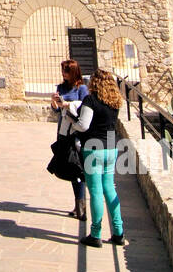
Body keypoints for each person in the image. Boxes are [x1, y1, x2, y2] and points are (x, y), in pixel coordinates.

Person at [74, 69, 126, 248]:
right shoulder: (116, 101)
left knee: (95, 191)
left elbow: (83, 125)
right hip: (111, 147)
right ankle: (118, 232)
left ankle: (95, 234)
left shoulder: (91, 100)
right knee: (109, 188)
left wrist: (72, 122)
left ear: (94, 83)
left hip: (94, 147)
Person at [50, 59, 88, 220]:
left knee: (77, 167)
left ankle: (81, 207)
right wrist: (55, 103)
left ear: (73, 72)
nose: (63, 74)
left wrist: (67, 104)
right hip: (64, 131)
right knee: (71, 168)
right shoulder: (61, 87)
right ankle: (78, 204)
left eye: (65, 71)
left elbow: (86, 107)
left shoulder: (82, 88)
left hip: (77, 132)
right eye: (62, 71)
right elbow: (56, 111)